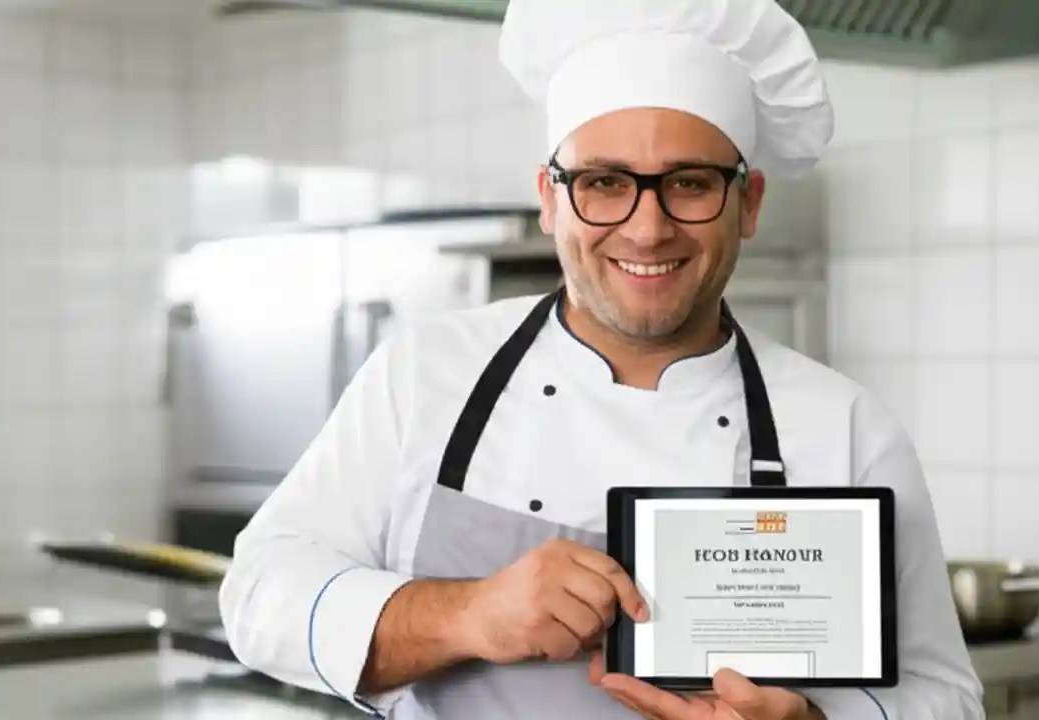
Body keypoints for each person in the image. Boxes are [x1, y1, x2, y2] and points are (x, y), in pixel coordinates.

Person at [218, 0, 986, 718]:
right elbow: (258, 597)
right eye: (605, 183)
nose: (647, 230)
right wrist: (468, 614)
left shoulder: (843, 426)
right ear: (550, 200)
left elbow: (948, 696)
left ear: (748, 204)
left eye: (689, 183)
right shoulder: (425, 376)